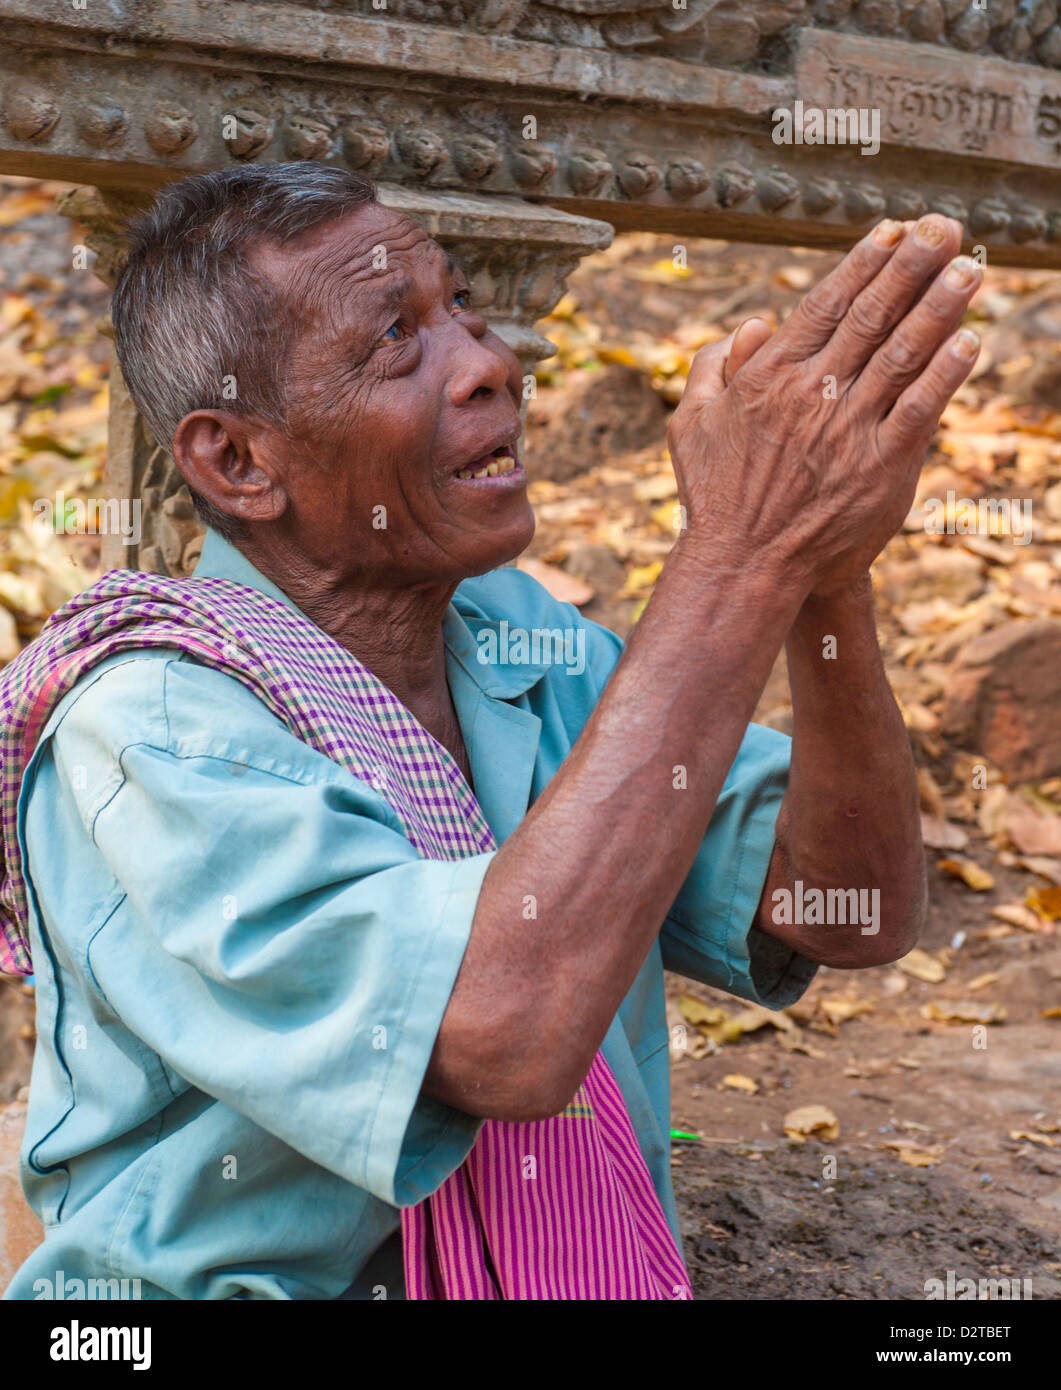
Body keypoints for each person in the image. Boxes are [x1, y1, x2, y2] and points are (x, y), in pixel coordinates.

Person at [0, 163, 982, 1300]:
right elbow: (499, 1034)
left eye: (460, 306)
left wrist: (823, 572)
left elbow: (847, 907)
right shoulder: (151, 724)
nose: (486, 364)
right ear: (239, 461)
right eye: (393, 341)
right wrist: (742, 555)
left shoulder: (518, 641)